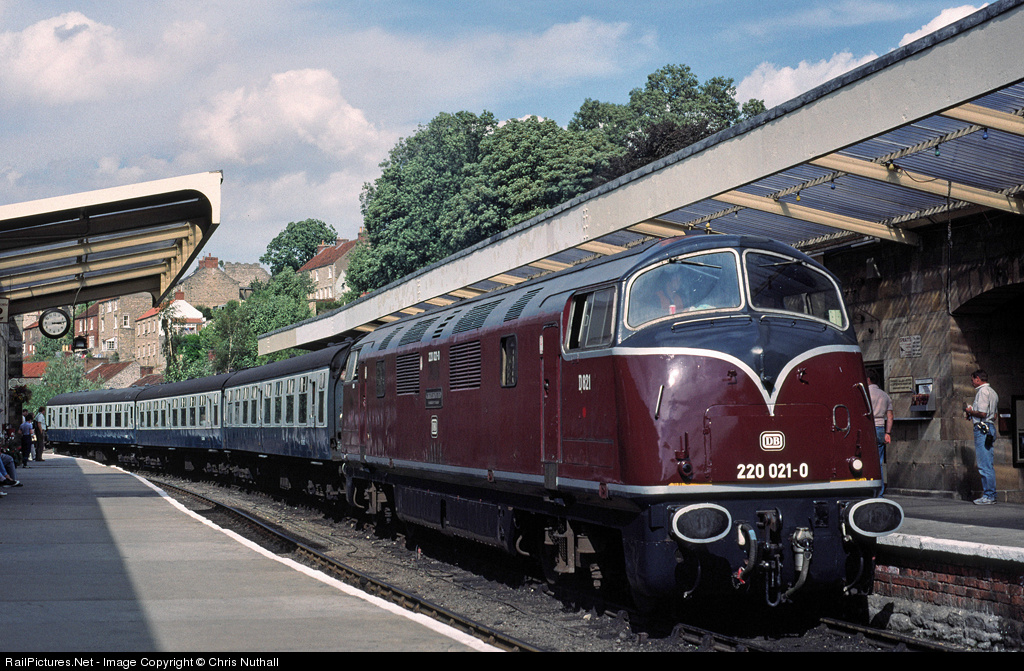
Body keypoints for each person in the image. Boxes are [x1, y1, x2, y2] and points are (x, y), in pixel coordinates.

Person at [965, 369, 999, 505]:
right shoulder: (993, 393)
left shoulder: (982, 392)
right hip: (990, 427)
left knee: (984, 465)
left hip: (982, 428)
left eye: (972, 379)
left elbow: (982, 413)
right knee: (988, 463)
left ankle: (989, 495)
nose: (972, 382)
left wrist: (970, 411)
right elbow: (994, 415)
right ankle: (990, 494)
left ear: (978, 379)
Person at [867, 370, 893, 495]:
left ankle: (868, 490)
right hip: (881, 428)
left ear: (867, 379)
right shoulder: (885, 395)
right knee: (879, 462)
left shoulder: (865, 394)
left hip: (868, 428)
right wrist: (888, 433)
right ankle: (880, 491)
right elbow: (890, 416)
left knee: (866, 461)